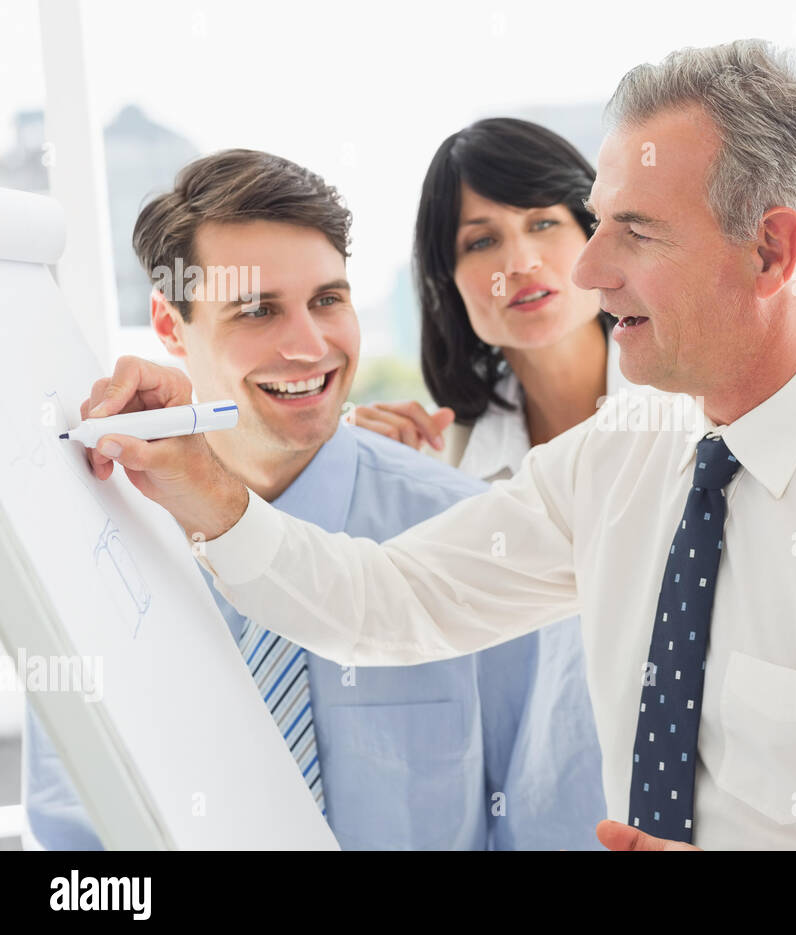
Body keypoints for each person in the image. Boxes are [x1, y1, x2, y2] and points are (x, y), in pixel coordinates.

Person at [73, 40, 796, 850]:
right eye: (597, 223)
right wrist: (200, 485)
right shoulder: (632, 447)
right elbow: (387, 603)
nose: (589, 272)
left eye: (633, 232)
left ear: (770, 251)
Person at [23, 149, 605, 850]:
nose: (309, 346)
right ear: (171, 325)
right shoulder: (106, 550)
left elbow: (554, 826)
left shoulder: (474, 533)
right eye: (257, 310)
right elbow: (75, 837)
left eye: (328, 300)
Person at [350, 117, 622, 847]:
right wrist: (377, 485)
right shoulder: (444, 462)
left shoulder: (695, 415)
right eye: (481, 240)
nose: (520, 261)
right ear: (449, 281)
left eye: (544, 222)